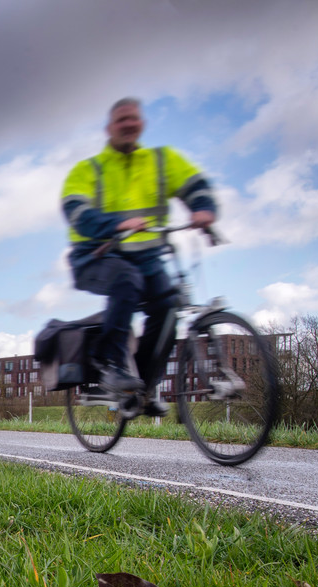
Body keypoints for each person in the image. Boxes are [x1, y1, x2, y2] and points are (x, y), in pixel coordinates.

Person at [61, 97, 217, 414]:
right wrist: (115, 223)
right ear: (110, 128)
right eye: (122, 120)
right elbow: (75, 210)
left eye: (133, 118)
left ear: (142, 124)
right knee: (126, 280)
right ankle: (111, 361)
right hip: (94, 256)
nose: (129, 124)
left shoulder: (162, 161)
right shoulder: (89, 170)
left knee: (169, 307)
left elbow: (195, 184)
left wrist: (203, 209)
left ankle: (143, 387)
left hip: (147, 257)